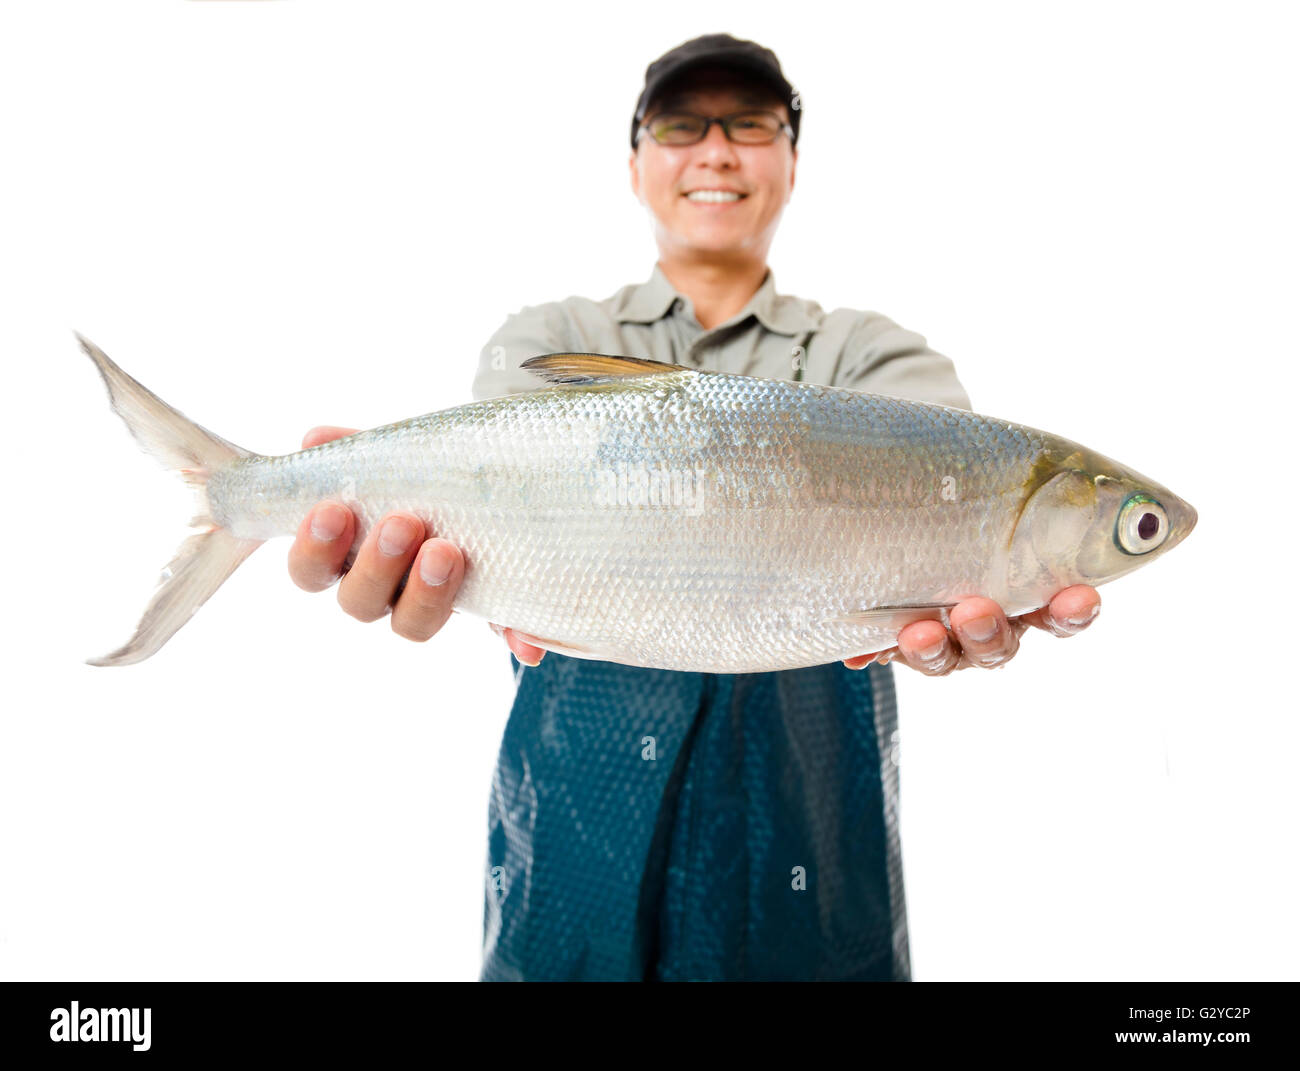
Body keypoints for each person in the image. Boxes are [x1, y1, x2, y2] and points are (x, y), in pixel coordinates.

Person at [286, 34, 1102, 980]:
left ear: (792, 161)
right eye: (682, 126)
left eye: (751, 125)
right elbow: (487, 513)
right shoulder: (550, 338)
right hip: (572, 831)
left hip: (811, 836)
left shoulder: (877, 360)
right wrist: (371, 509)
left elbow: (958, 503)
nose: (716, 150)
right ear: (636, 163)